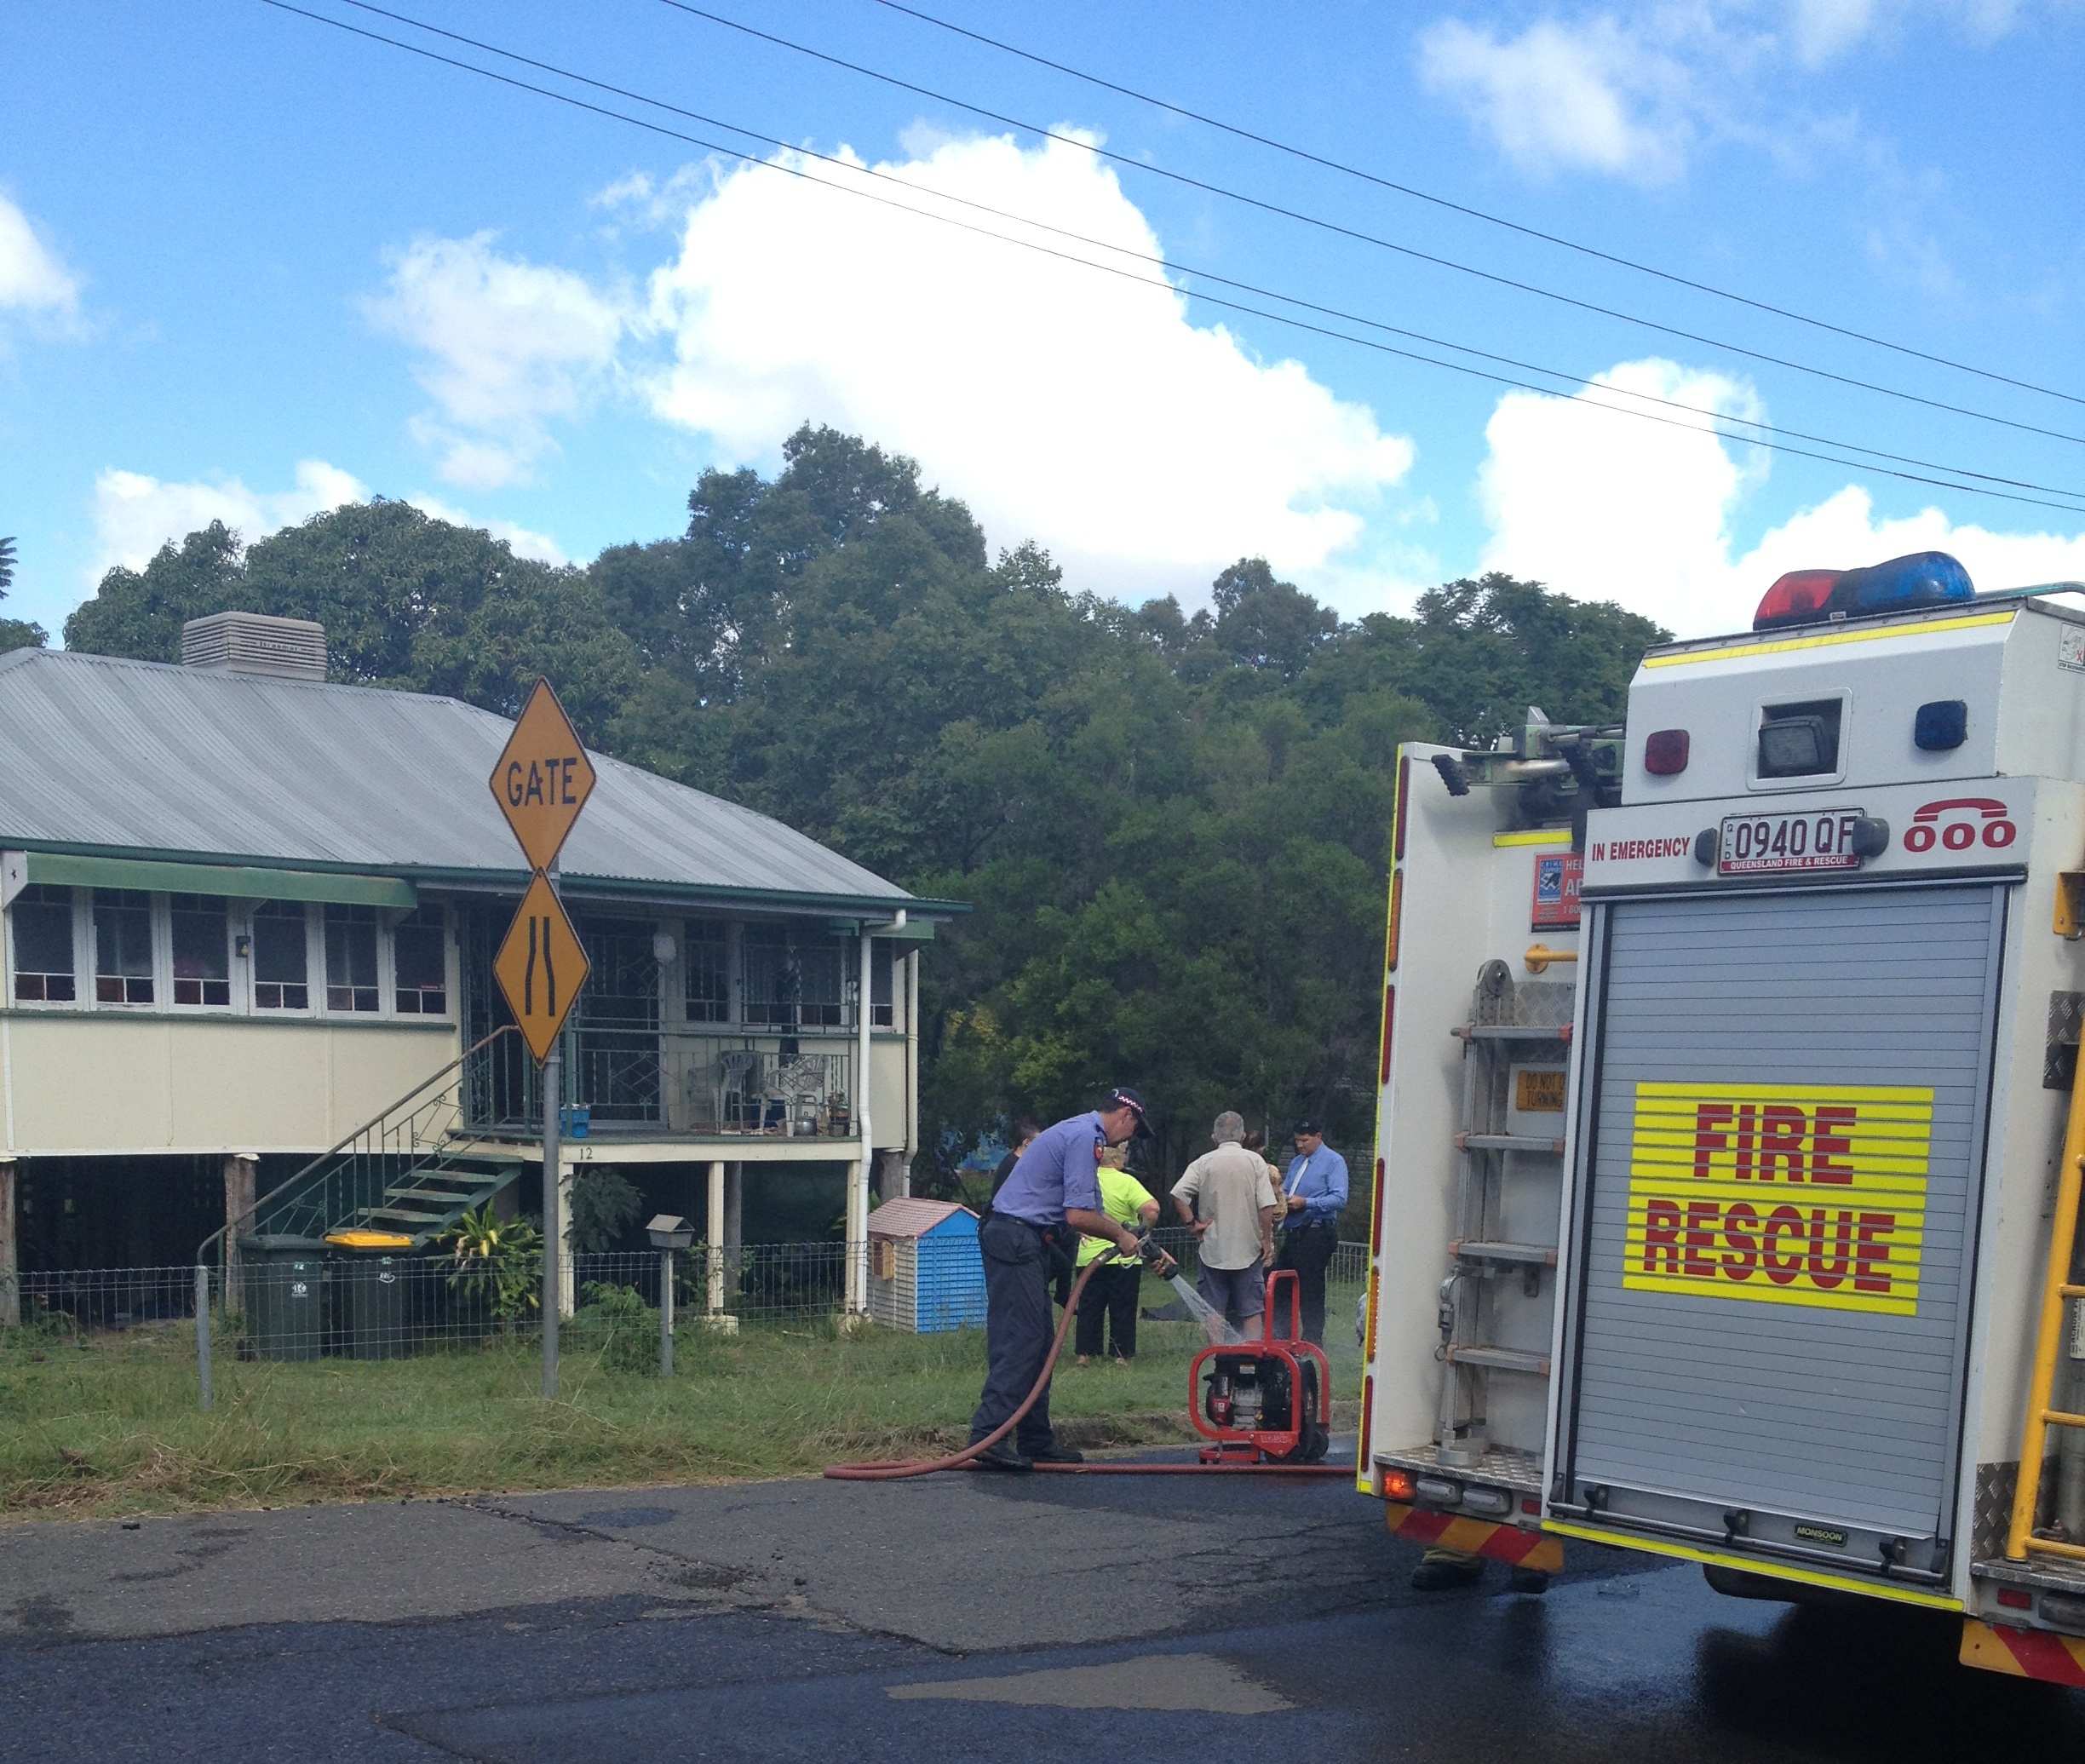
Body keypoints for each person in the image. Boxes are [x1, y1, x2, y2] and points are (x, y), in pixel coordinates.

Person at [969, 1088, 1175, 1470]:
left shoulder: (1080, 1133)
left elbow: (1093, 1212)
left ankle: (1034, 1439)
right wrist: (1121, 1236)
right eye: (1134, 1131)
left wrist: (1145, 1246)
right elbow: (1079, 1216)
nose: (1129, 1139)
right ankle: (988, 1435)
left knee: (1042, 1341)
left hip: (1022, 1238)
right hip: (1015, 1237)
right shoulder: (1085, 1138)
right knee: (1022, 1337)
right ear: (1126, 1117)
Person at [1171, 1111, 1278, 1333]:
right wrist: (1266, 1240)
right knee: (1251, 1309)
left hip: (1213, 1248)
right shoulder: (1255, 1161)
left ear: (1214, 1137)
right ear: (1243, 1136)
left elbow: (1179, 1195)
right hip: (1248, 1248)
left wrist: (1193, 1224)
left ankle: (1218, 1357)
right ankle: (1251, 1359)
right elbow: (1267, 1205)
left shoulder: (1203, 1163)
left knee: (1213, 1309)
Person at [1074, 1146, 1161, 1365]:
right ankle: (1121, 1355)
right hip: (1124, 1257)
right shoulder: (1127, 1182)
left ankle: (1086, 1354)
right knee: (1122, 1307)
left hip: (1090, 1255)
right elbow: (1152, 1210)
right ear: (1117, 1158)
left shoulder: (1085, 1181)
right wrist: (1143, 1231)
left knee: (1089, 1307)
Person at [1273, 1118, 1347, 1347]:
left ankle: (1313, 1338)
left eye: (1305, 1140)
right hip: (1294, 1232)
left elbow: (1339, 1198)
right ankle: (1281, 1335)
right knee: (1280, 1282)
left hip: (1316, 1231)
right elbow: (1287, 1188)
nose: (1300, 1146)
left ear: (1318, 1137)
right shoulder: (1297, 1162)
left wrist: (1307, 1203)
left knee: (1311, 1287)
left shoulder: (1334, 1162)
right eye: (1297, 1141)